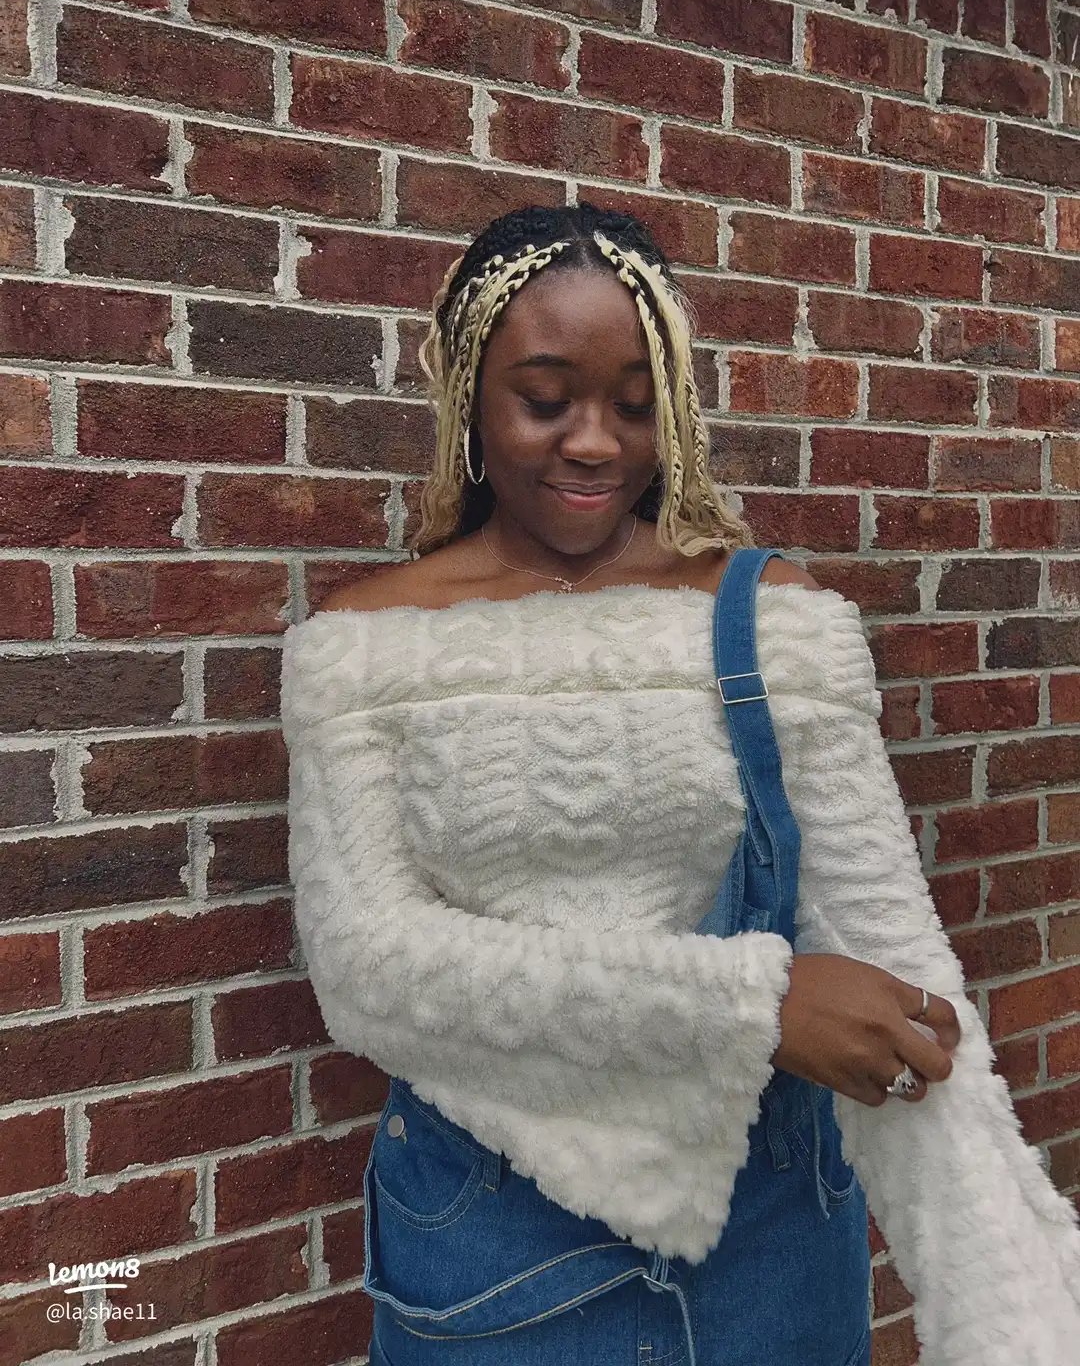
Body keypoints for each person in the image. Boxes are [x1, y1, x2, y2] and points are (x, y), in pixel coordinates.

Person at [280, 204, 1080, 1365]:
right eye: (546, 398)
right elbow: (368, 971)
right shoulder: (360, 644)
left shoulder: (771, 620)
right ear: (466, 394)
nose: (596, 441)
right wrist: (752, 1010)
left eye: (637, 402)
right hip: (494, 1250)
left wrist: (1017, 1321)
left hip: (775, 1244)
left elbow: (898, 973)